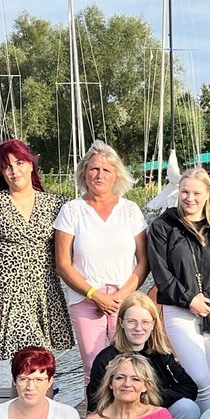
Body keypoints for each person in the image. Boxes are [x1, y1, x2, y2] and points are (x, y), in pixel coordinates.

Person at [53, 141, 149, 385]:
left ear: (115, 174)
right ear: (84, 172)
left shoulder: (130, 210)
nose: (99, 175)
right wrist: (95, 295)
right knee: (93, 369)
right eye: (94, 169)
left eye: (106, 170)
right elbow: (63, 264)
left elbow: (144, 261)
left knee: (130, 366)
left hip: (123, 300)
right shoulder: (72, 210)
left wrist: (122, 296)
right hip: (86, 301)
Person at [0, 138, 73, 360]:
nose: (14, 171)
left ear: (31, 164)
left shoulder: (56, 204)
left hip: (46, 294)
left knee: (44, 365)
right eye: (7, 166)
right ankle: (26, 396)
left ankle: (40, 397)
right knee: (26, 363)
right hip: (8, 296)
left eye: (20, 163)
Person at [146, 167, 210, 412]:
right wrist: (190, 299)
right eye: (184, 192)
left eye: (196, 193)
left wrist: (209, 299)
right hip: (179, 310)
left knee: (205, 381)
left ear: (208, 193)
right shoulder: (163, 227)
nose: (189, 198)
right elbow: (161, 272)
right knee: (199, 380)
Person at [87, 294, 201, 419]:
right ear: (122, 323)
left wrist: (148, 400)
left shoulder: (161, 354)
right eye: (132, 321)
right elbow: (95, 403)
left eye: (145, 322)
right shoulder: (106, 359)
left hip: (154, 417)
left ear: (153, 324)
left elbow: (189, 387)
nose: (138, 328)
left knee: (187, 408)